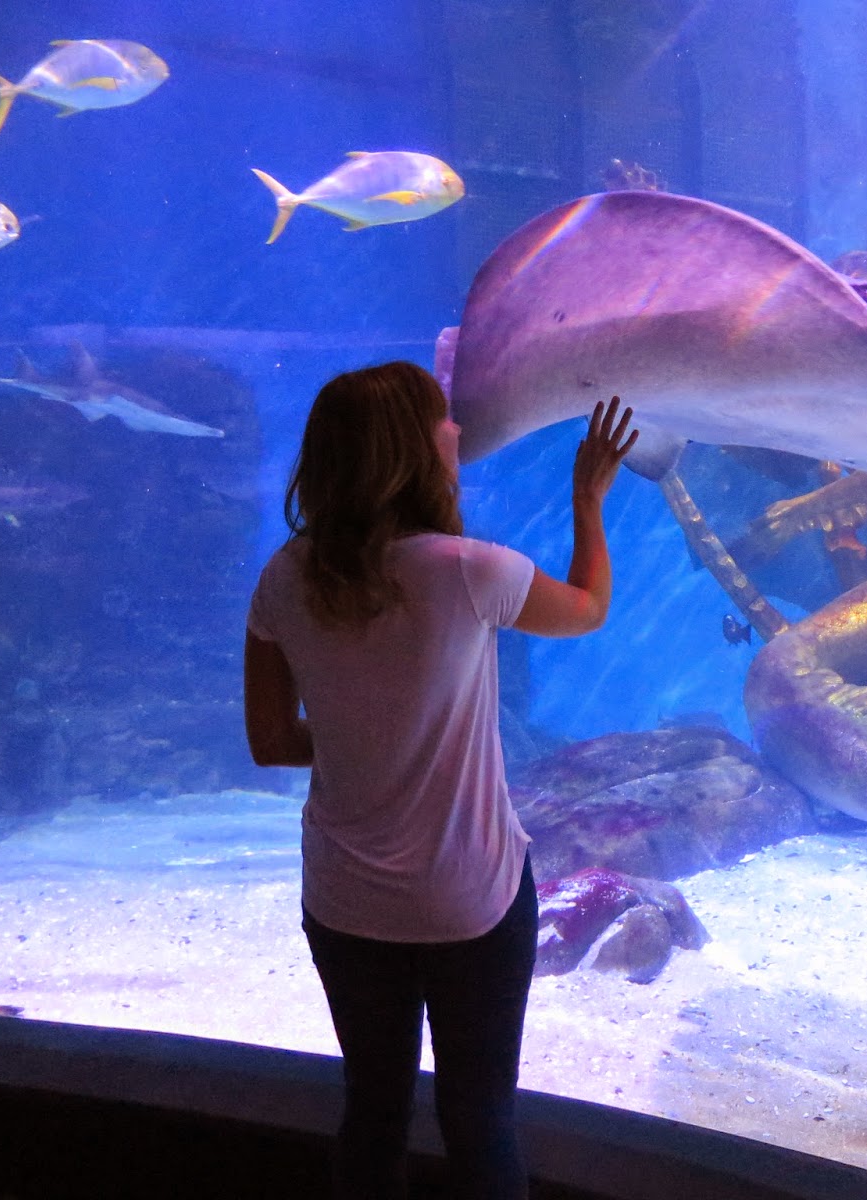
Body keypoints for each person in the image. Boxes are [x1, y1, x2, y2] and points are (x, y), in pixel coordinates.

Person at [242, 360, 637, 1200]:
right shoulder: (472, 569)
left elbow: (272, 741)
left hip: (347, 900)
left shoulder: (282, 577)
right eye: (443, 421)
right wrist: (588, 500)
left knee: (373, 1110)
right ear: (411, 451)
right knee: (479, 1115)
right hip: (472, 897)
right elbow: (589, 608)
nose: (458, 431)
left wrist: (363, 737)